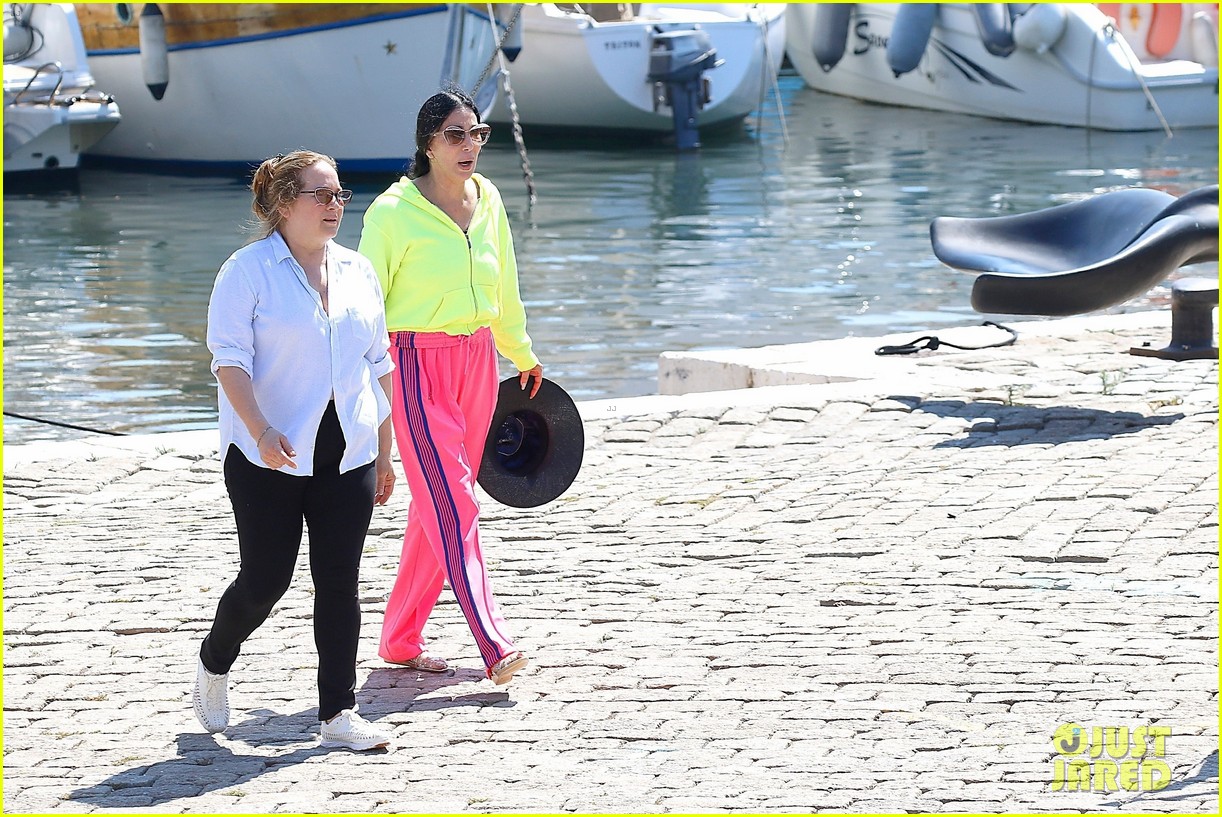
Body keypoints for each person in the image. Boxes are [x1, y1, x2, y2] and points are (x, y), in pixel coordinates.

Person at [196, 150, 396, 751]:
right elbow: (228, 361)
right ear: (284, 204)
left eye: (340, 195)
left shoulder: (359, 270)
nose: (335, 206)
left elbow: (379, 365)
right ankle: (214, 659)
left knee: (340, 581)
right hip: (269, 452)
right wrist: (259, 429)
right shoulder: (246, 271)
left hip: (349, 449)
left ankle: (338, 713)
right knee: (266, 581)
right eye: (321, 195)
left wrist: (385, 453)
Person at [358, 88, 542, 686]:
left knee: (434, 504)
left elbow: (504, 285)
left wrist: (521, 353)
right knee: (454, 500)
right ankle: (493, 641)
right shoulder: (391, 213)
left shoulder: (488, 198)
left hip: (479, 361)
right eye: (455, 135)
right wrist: (365, 393)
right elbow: (364, 309)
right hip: (415, 364)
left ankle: (399, 638)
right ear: (428, 144)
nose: (470, 146)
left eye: (477, 133)